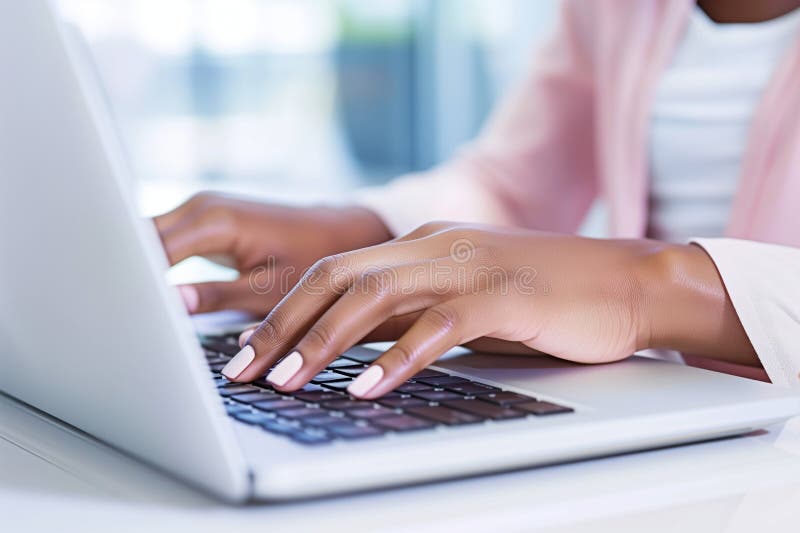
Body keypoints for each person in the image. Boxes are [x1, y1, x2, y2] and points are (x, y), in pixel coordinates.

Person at [154, 0, 800, 399]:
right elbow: (514, 183)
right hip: (680, 419)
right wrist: (359, 234)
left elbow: (627, 281)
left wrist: (652, 288)